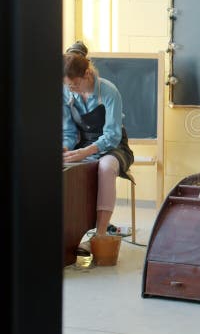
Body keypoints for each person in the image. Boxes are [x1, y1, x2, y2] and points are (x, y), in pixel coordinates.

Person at [62, 42, 134, 253]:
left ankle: (99, 234)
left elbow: (112, 135)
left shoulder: (109, 91)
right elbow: (68, 132)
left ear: (86, 74)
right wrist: (66, 149)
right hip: (82, 143)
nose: (71, 89)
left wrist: (86, 152)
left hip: (114, 146)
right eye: (67, 86)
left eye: (74, 84)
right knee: (66, 168)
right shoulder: (66, 93)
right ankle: (70, 234)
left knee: (106, 166)